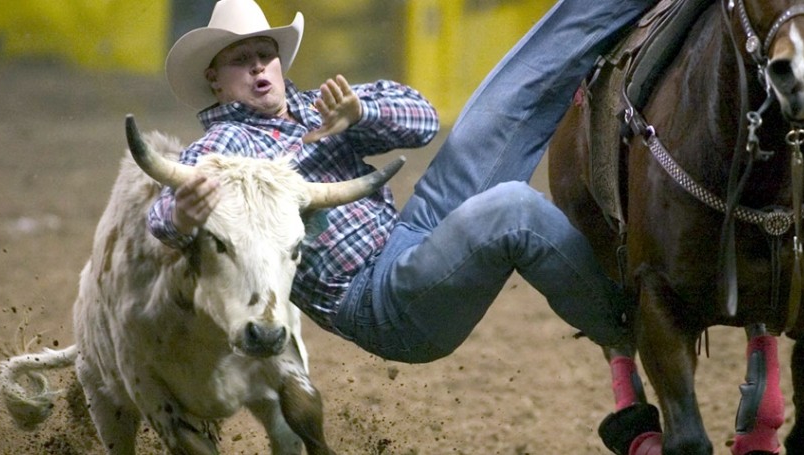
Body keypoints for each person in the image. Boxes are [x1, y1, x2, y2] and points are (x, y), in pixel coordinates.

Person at [151, 1, 653, 448]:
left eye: (266, 53)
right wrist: (181, 216)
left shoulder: (315, 106)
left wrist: (360, 113)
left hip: (410, 234)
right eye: (242, 59)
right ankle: (636, 326)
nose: (260, 65)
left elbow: (424, 118)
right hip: (378, 300)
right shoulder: (221, 149)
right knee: (512, 209)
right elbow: (161, 215)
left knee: (507, 94)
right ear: (215, 79)